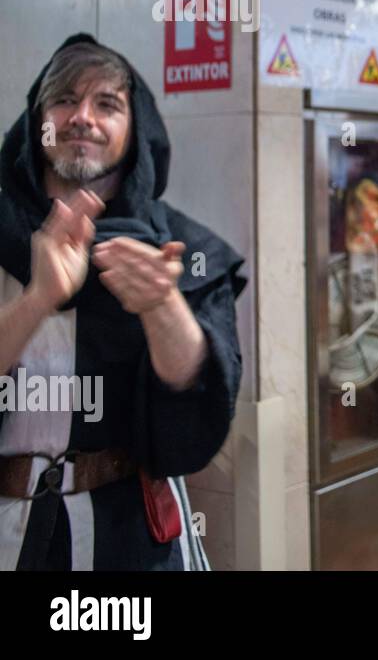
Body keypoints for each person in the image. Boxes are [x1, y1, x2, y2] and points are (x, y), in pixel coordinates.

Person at [0, 36, 245, 570]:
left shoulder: (183, 249)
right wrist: (37, 299)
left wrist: (161, 305)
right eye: (63, 100)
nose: (82, 117)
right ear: (35, 120)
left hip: (130, 535)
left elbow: (200, 410)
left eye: (107, 104)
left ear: (136, 129)